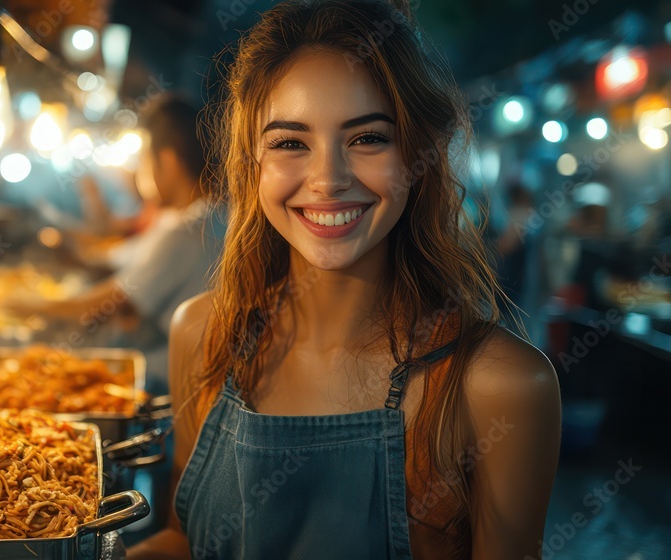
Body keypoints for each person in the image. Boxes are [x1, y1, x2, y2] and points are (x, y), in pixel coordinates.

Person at [128, 2, 561, 559]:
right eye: (290, 142)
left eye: (367, 138)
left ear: (418, 156)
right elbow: (182, 539)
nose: (328, 179)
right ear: (252, 163)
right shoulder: (203, 332)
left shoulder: (501, 385)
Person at [7, 95, 224, 396]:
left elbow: (101, 304)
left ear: (168, 161)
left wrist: (17, 306)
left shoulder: (188, 232)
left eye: (143, 159)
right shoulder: (208, 217)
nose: (137, 172)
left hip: (174, 386)